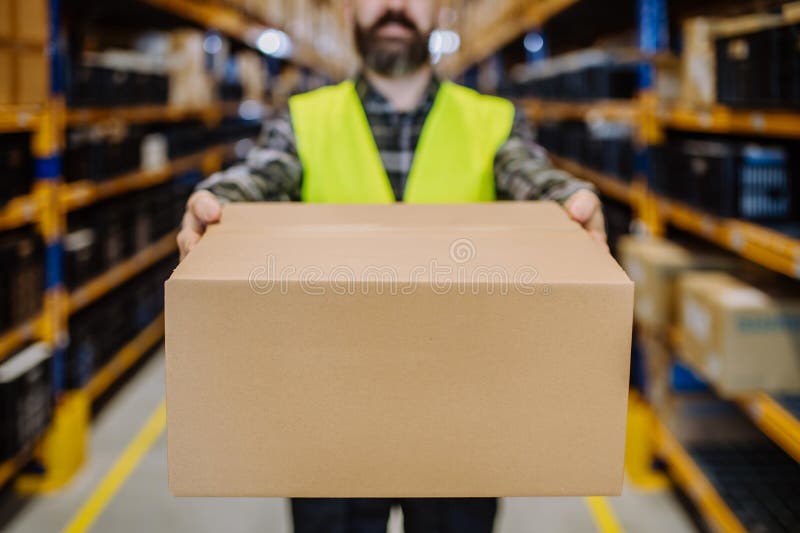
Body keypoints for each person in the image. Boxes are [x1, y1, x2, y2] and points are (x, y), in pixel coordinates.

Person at [178, 0, 606, 531]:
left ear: (441, 12)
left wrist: (571, 202)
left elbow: (530, 175)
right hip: (331, 407)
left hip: (460, 411)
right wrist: (214, 201)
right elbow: (261, 173)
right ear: (346, 12)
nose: (396, 7)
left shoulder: (491, 120)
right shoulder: (304, 119)